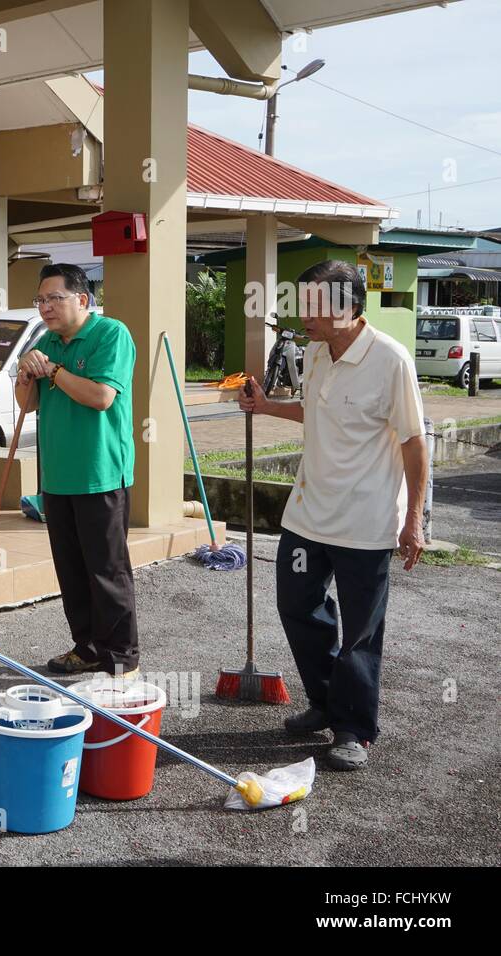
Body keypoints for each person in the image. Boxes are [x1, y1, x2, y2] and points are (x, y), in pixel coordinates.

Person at [239, 259, 427, 772]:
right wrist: (264, 406)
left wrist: (414, 520)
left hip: (365, 524)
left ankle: (353, 728)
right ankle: (324, 700)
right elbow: (313, 409)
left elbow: (414, 441)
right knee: (298, 605)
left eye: (315, 305)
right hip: (307, 516)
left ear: (349, 305)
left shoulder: (391, 360)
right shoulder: (318, 353)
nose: (305, 315)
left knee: (362, 630)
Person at [15, 263, 139, 679]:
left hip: (101, 473)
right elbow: (27, 405)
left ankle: (120, 656)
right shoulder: (47, 341)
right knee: (71, 569)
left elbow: (102, 396)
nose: (45, 307)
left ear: (82, 299)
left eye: (54, 298)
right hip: (57, 476)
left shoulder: (111, 335)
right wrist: (25, 373)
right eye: (41, 300)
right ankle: (85, 645)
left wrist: (51, 370)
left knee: (107, 570)